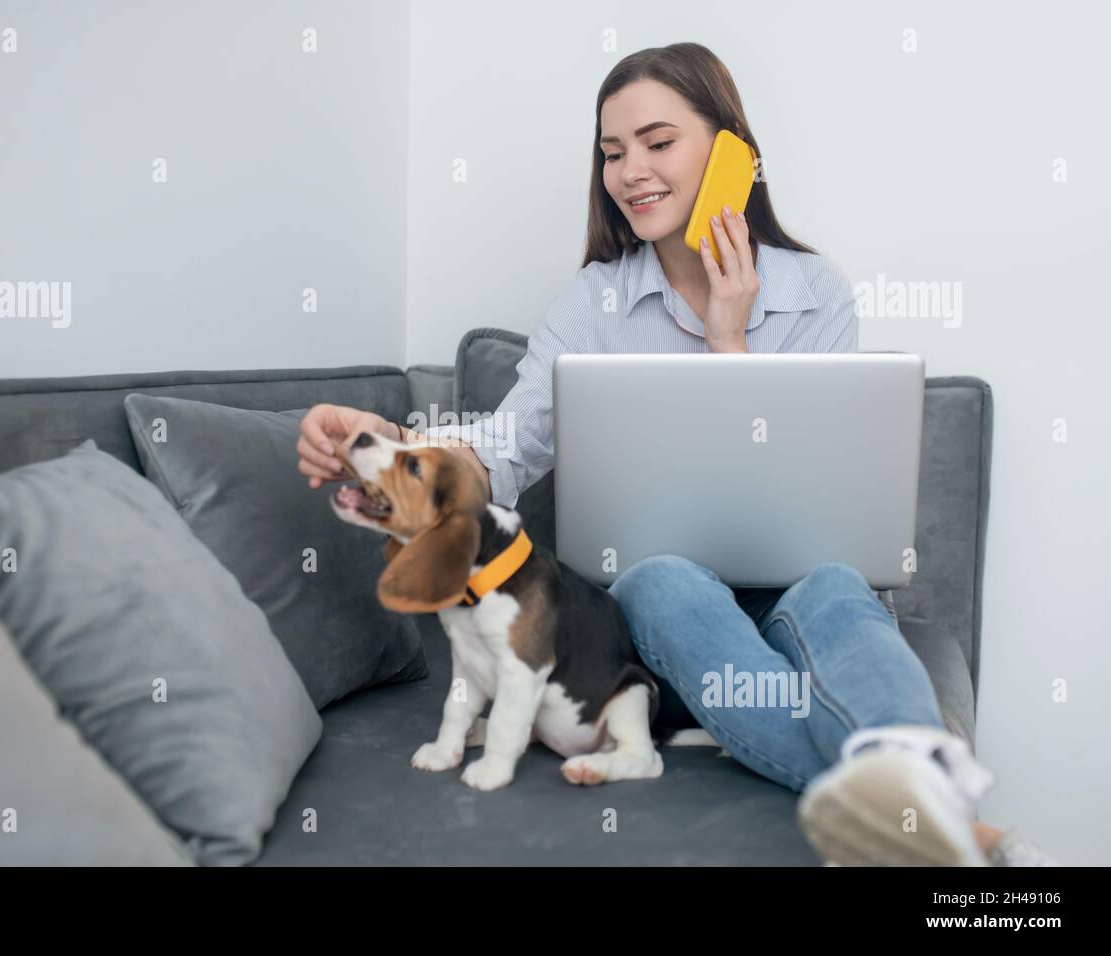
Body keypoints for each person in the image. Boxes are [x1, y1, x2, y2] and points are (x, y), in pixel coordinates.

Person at [296, 43, 1056, 867]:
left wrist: (729, 340)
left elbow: (808, 485)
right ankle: (941, 829)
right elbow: (503, 452)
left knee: (838, 586)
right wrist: (385, 444)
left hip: (804, 580)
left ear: (731, 152)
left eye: (658, 143)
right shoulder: (593, 305)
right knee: (658, 577)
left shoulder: (814, 294)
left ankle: (915, 811)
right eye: (613, 152)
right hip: (676, 598)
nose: (631, 172)